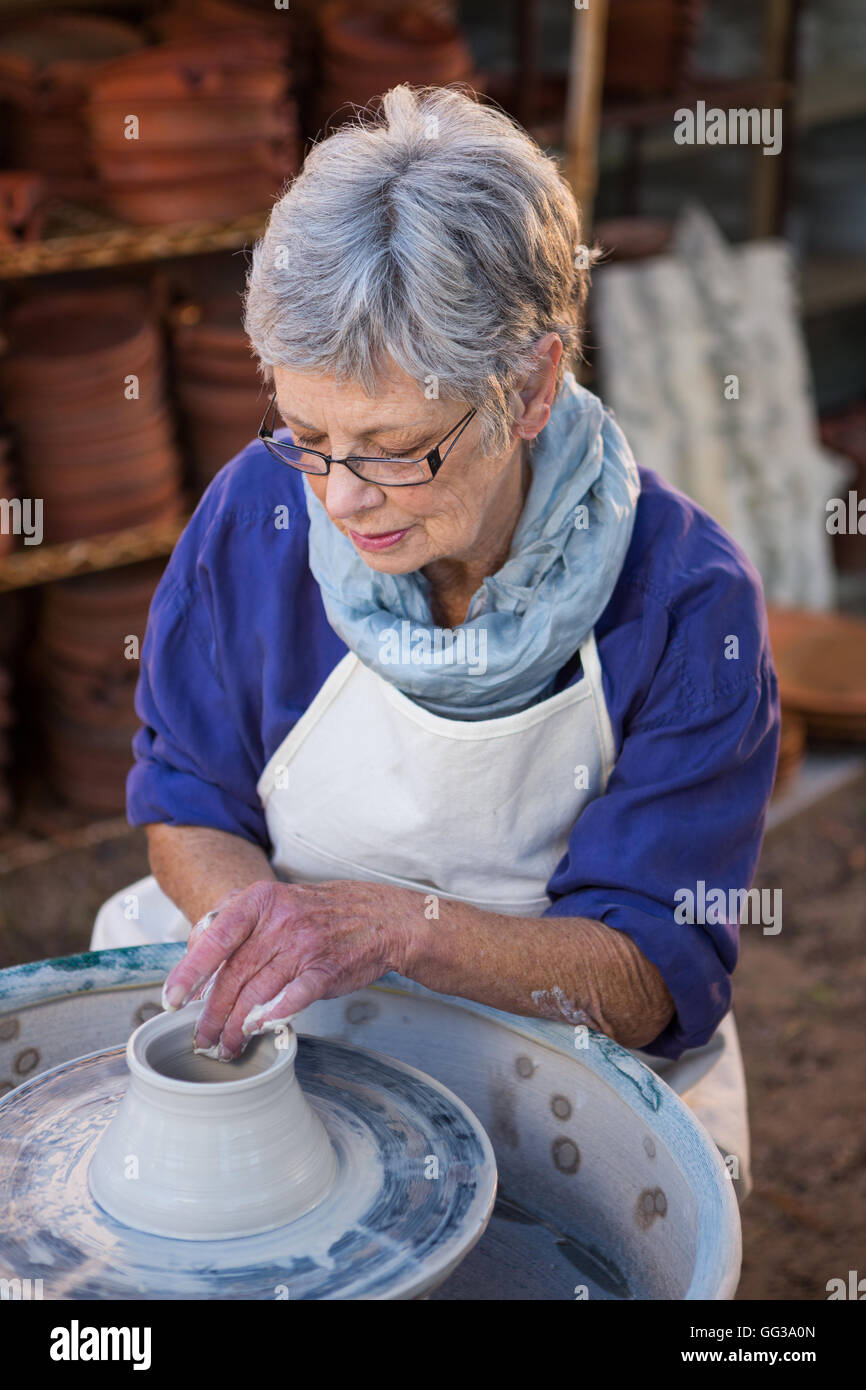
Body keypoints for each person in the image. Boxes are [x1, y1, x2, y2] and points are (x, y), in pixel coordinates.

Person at [92, 85, 780, 1203]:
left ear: (531, 387)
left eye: (393, 448)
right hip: (300, 1021)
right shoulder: (255, 517)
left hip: (559, 1051)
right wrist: (251, 934)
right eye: (308, 436)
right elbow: (187, 796)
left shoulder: (687, 605)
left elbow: (648, 971)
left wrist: (390, 928)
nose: (342, 500)